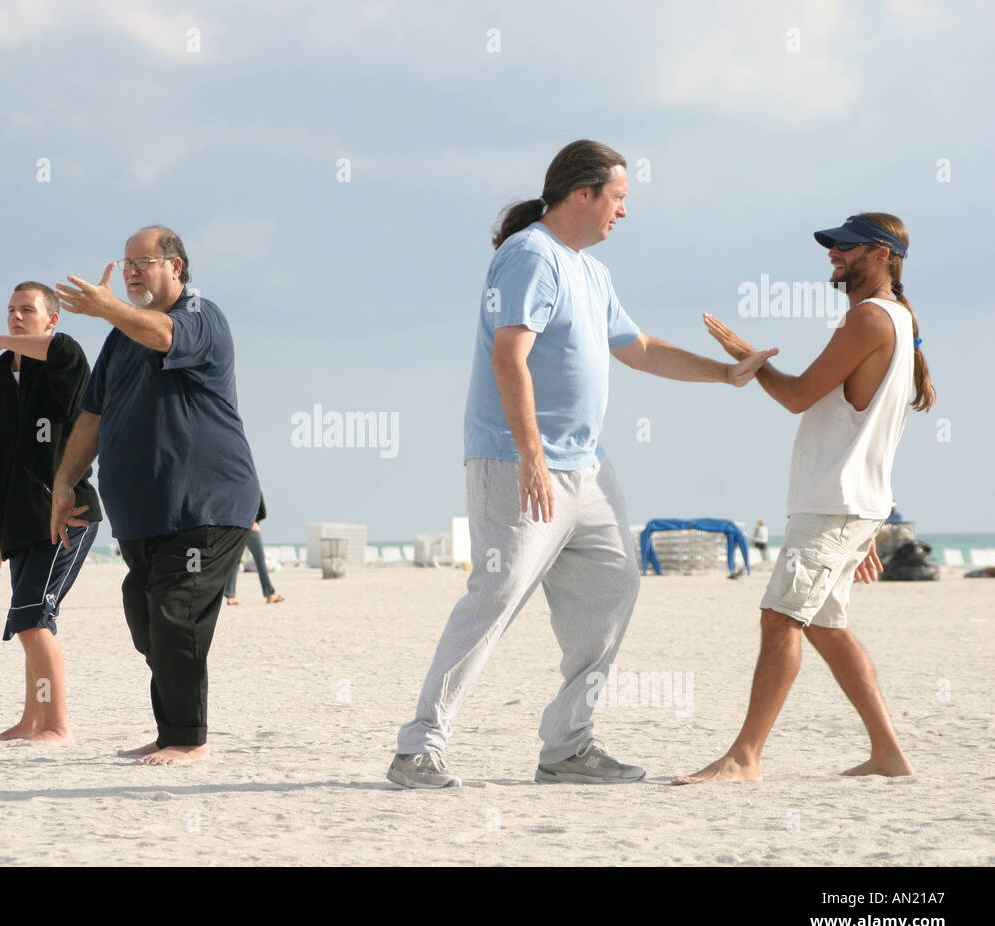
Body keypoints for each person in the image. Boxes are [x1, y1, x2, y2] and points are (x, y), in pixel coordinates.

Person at [387, 139, 776, 789]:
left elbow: (640, 348)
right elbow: (509, 356)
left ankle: (567, 748)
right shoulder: (530, 257)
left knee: (614, 591)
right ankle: (417, 749)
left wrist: (726, 374)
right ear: (582, 195)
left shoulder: (592, 272)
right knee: (497, 596)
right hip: (516, 462)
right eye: (619, 198)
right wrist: (532, 456)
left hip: (588, 471)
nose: (624, 212)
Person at [675, 213, 931, 785]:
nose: (834, 255)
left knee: (780, 618)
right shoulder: (897, 318)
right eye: (832, 248)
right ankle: (888, 755)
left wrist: (750, 358)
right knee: (823, 626)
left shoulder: (869, 318)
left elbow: (795, 397)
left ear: (882, 254)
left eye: (845, 248)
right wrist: (863, 521)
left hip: (835, 501)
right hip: (851, 502)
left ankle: (745, 757)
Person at [53, 225, 260, 766]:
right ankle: (172, 731)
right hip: (143, 513)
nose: (132, 272)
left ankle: (188, 739)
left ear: (177, 267)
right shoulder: (120, 338)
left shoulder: (201, 316)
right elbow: (93, 415)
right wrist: (65, 480)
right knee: (145, 617)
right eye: (126, 264)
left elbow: (166, 336)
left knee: (174, 614)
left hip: (207, 506)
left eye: (143, 261)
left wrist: (108, 308)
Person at [0, 281, 102, 744]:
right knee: (32, 620)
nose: (15, 317)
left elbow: (64, 349)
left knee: (31, 617)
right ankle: (31, 721)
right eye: (11, 310)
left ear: (50, 319)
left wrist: (2, 341)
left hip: (69, 515)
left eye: (26, 310)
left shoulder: (64, 366)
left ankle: (56, 725)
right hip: (17, 523)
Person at [225, 520, 284, 605]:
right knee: (260, 561)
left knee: (235, 562)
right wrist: (256, 521)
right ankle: (270, 594)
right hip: (250, 525)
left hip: (235, 526)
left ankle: (230, 596)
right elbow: (260, 509)